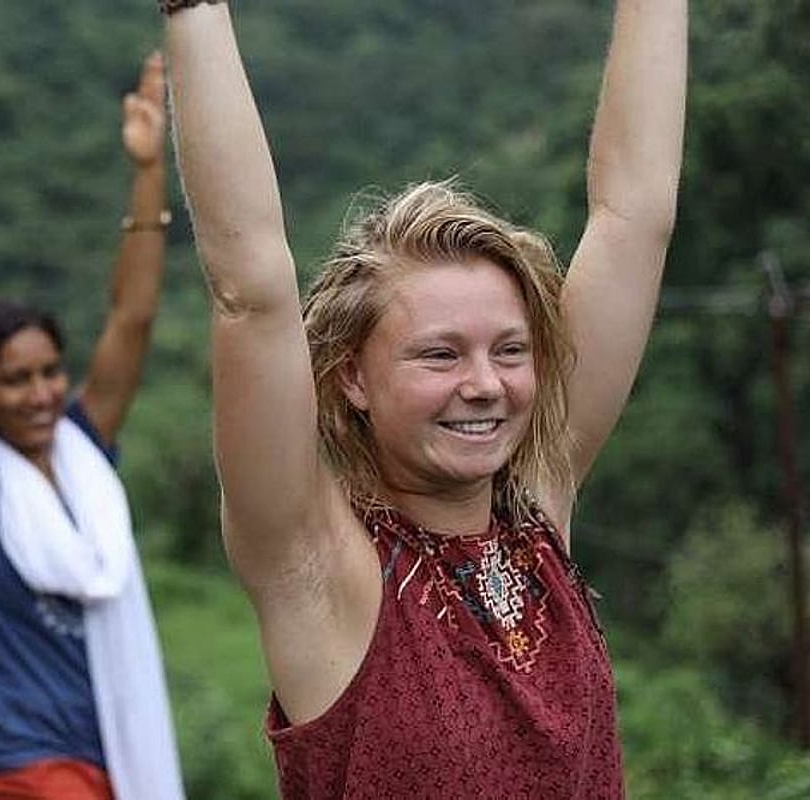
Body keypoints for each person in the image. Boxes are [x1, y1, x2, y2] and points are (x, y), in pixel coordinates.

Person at [164, 1, 686, 797]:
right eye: (439, 355)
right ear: (351, 375)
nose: (484, 384)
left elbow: (634, 216)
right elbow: (249, 291)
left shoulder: (537, 502)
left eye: (510, 351)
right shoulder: (316, 564)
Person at [0, 48, 184, 800]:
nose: (40, 395)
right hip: (18, 755)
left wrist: (147, 167)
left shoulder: (82, 448)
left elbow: (133, 317)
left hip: (108, 748)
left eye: (49, 373)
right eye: (15, 380)